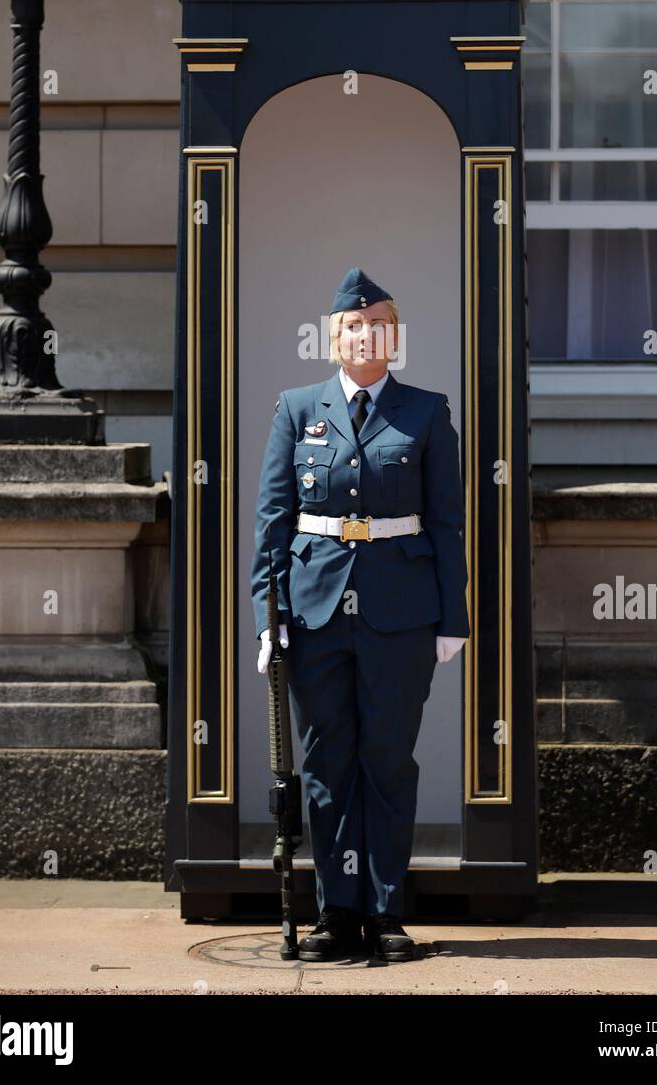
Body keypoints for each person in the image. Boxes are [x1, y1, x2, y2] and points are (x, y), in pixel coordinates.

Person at [250, 267, 469, 963]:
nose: (364, 335)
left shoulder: (425, 411)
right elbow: (274, 519)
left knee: (386, 760)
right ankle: (335, 913)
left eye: (378, 325)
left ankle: (384, 911)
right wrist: (268, 613)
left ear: (393, 338)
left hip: (399, 612)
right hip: (314, 609)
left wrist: (452, 617)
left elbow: (444, 522)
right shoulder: (296, 407)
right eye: (351, 326)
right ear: (333, 337)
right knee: (325, 762)